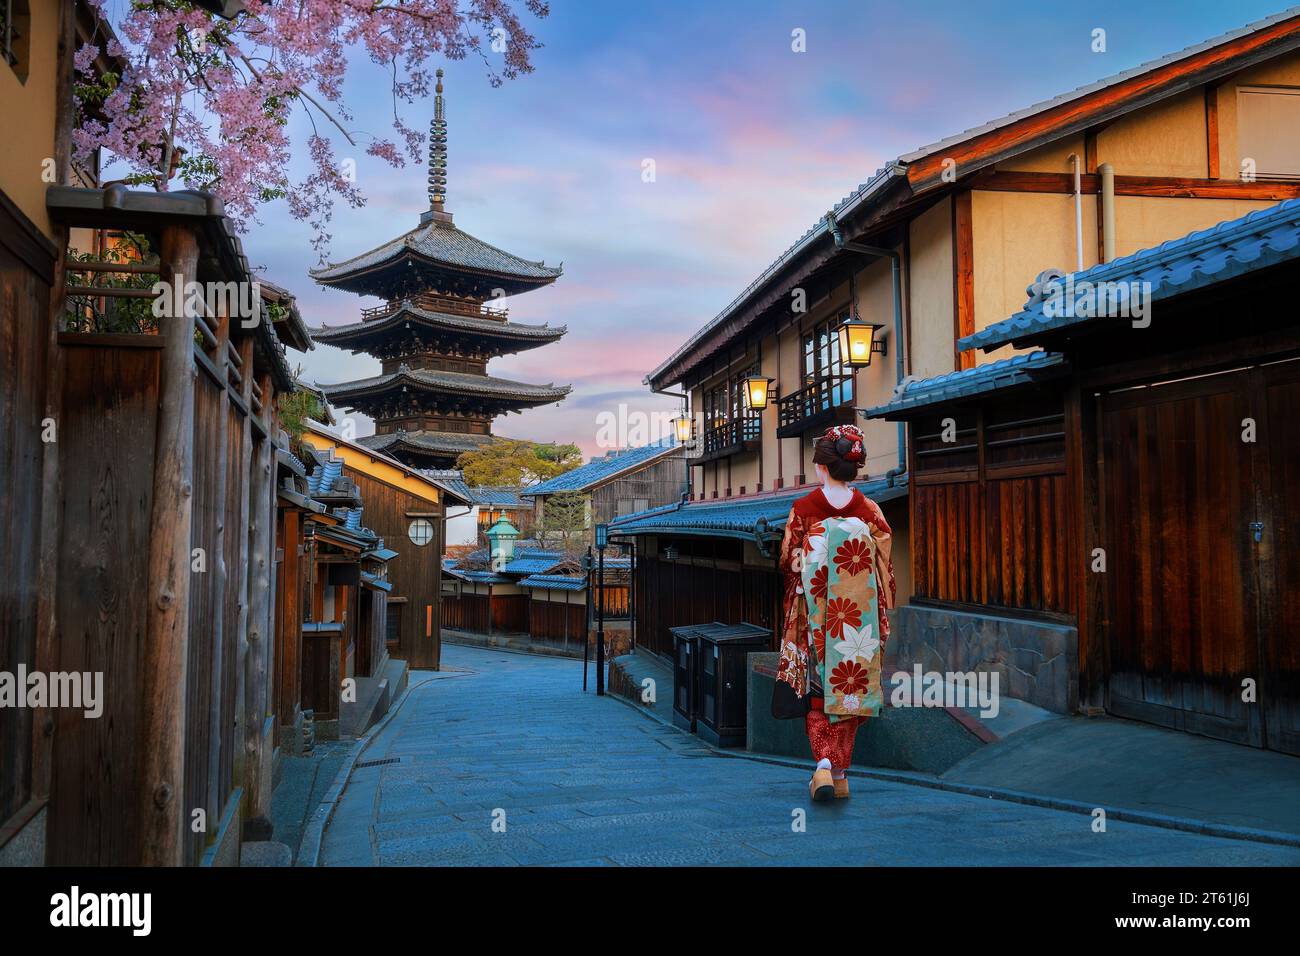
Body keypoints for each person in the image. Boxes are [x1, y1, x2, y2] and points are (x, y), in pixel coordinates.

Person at [774, 424, 895, 802]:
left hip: (816, 617)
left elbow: (789, 563)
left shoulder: (804, 510)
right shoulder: (869, 511)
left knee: (819, 689)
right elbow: (884, 568)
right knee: (851, 688)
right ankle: (840, 772)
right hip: (859, 619)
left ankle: (824, 766)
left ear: (823, 468)